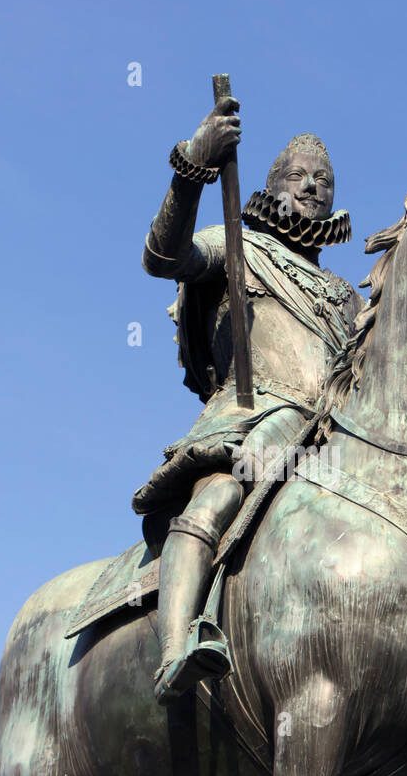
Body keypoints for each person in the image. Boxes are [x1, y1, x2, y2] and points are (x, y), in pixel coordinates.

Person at [134, 95, 363, 701]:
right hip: (254, 416)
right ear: (270, 185)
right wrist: (192, 168)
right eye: (298, 176)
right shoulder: (240, 248)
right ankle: (177, 644)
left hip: (334, 439)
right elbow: (163, 257)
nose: (313, 187)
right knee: (216, 500)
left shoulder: (348, 298)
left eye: (325, 180)